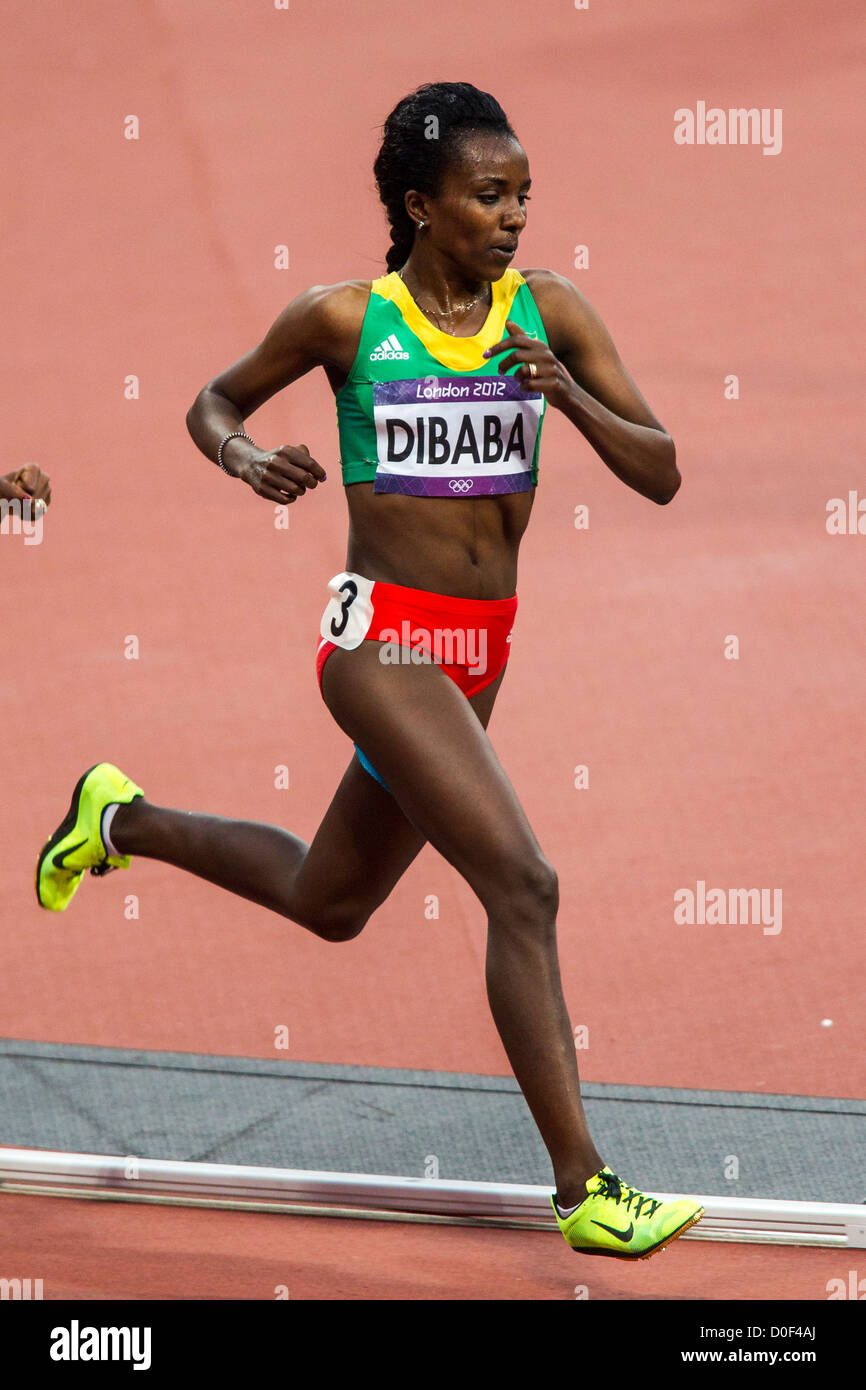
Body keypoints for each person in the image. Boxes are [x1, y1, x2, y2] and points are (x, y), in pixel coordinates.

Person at [36, 82, 703, 1260]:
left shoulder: (548, 311)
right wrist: (245, 456)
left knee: (327, 900)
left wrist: (571, 399)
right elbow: (213, 398)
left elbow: (660, 470)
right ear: (419, 205)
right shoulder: (346, 320)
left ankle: (118, 817)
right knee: (525, 884)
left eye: (523, 195)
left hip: (478, 651)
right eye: (487, 196)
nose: (513, 219)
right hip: (380, 645)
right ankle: (585, 1189)